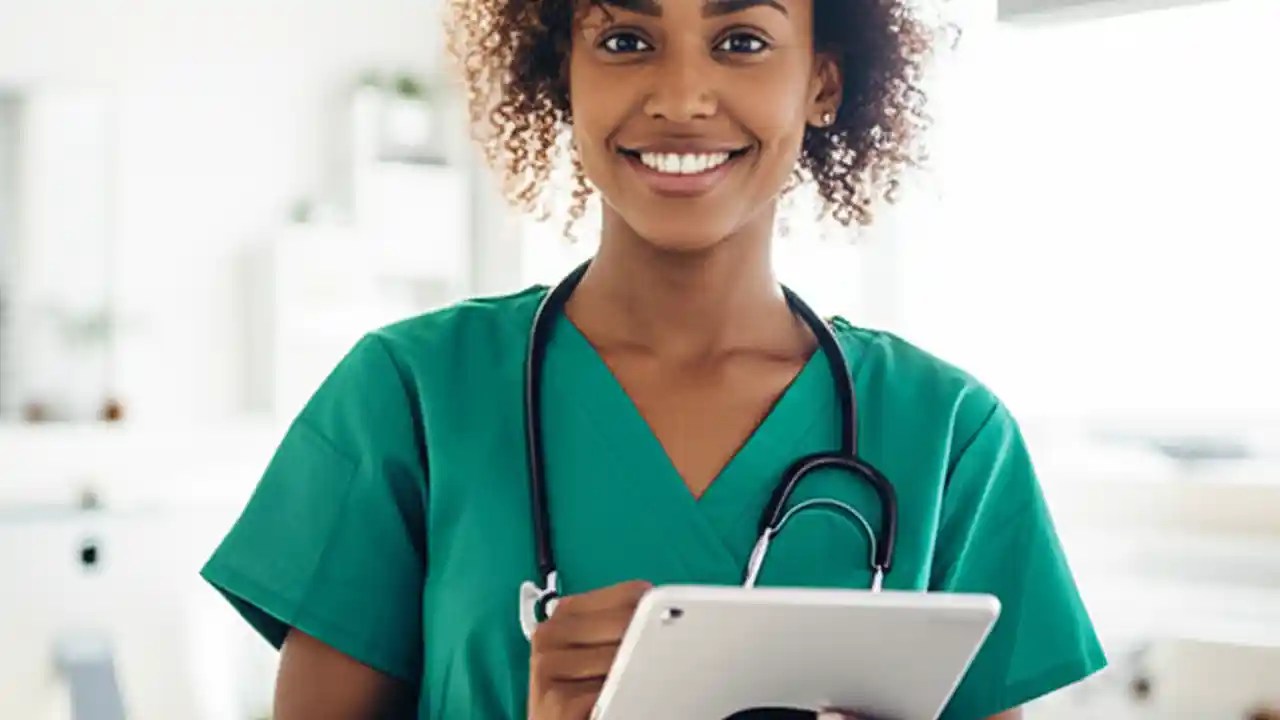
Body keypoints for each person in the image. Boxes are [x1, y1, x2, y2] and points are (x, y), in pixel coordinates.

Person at [199, 0, 1108, 715]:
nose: (680, 95)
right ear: (564, 74)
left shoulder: (950, 435)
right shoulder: (409, 396)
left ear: (821, 84)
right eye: (627, 39)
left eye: (743, 40)